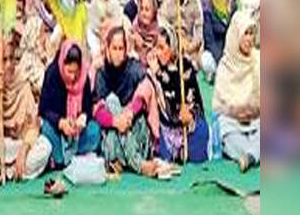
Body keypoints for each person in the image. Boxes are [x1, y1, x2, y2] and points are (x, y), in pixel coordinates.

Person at [94, 27, 175, 178]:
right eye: (114, 48)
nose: (118, 53)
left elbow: (146, 91)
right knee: (112, 102)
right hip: (114, 137)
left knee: (119, 112)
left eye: (121, 48)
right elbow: (97, 110)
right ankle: (138, 165)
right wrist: (115, 121)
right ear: (108, 49)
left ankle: (122, 162)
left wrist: (130, 113)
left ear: (126, 50)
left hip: (136, 132)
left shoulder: (134, 68)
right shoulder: (101, 74)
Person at [0, 31, 52, 183]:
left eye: (12, 59)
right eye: (4, 60)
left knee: (45, 146)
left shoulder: (22, 83)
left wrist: (23, 150)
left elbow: (33, 127)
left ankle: (6, 170)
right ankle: (12, 170)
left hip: (18, 146)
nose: (9, 65)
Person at [148, 27, 210, 163]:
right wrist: (157, 73)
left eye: (162, 48)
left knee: (200, 132)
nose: (158, 53)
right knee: (163, 157)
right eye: (156, 48)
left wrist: (190, 114)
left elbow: (195, 100)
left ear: (172, 47)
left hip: (187, 123)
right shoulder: (152, 70)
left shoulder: (186, 66)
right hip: (166, 127)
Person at [39, 40, 101, 171]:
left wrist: (82, 119)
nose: (73, 77)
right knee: (46, 128)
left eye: (76, 72)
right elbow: (44, 109)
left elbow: (88, 107)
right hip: (58, 129)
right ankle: (62, 159)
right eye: (69, 71)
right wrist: (61, 123)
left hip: (76, 134)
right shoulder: (52, 74)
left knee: (94, 130)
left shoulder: (84, 78)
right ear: (62, 64)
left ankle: (65, 158)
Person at [213, 11, 261, 172]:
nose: (249, 39)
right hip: (233, 123)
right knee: (229, 138)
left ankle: (251, 157)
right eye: (245, 34)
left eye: (252, 34)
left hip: (256, 120)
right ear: (236, 35)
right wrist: (240, 111)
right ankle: (254, 154)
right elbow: (222, 105)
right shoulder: (225, 66)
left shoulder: (259, 60)